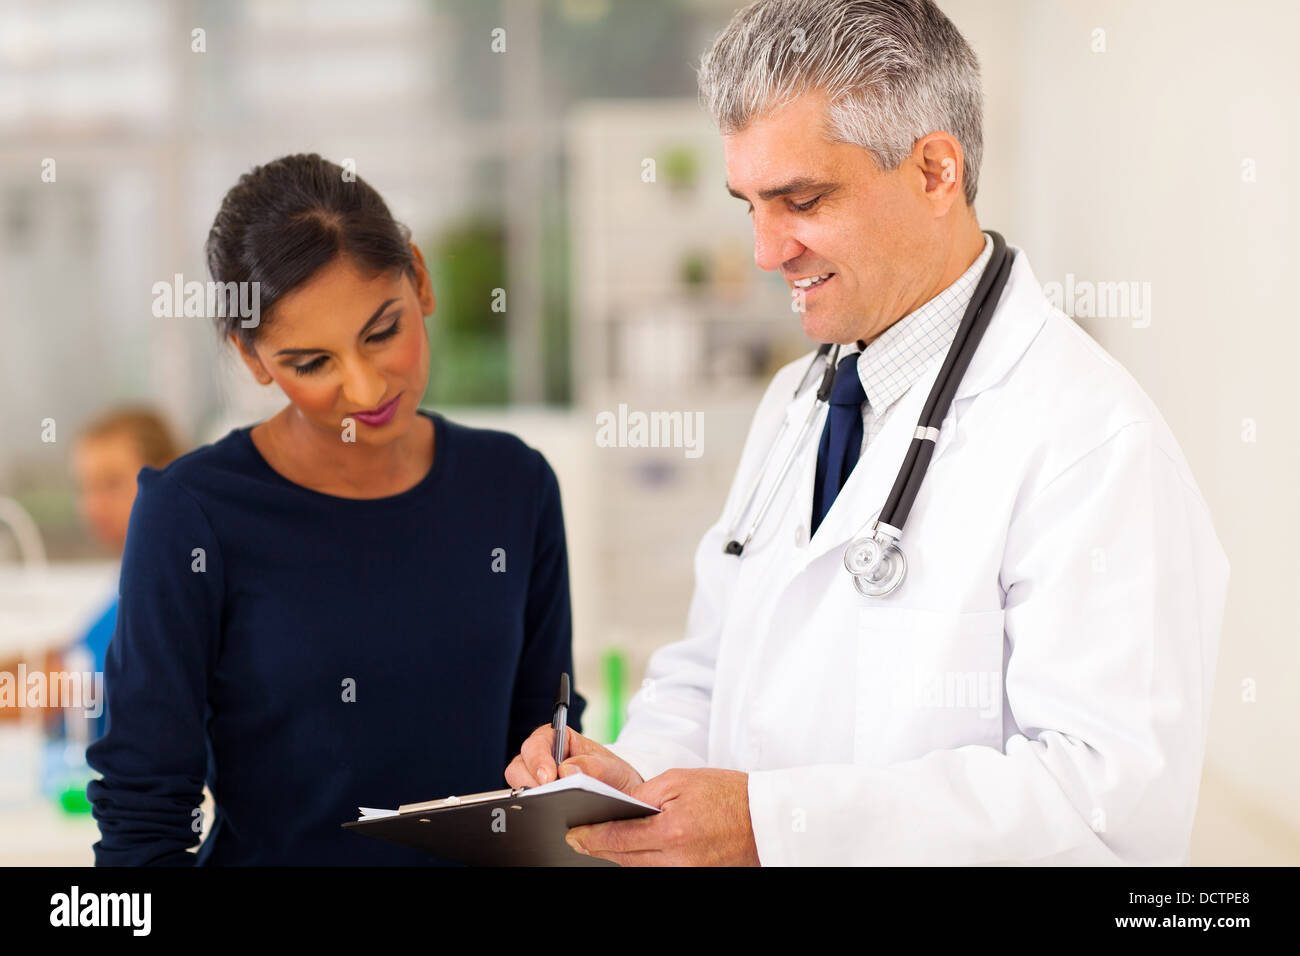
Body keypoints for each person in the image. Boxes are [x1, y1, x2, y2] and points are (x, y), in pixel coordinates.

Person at [506, 0, 1229, 865]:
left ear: (933, 171)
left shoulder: (1091, 440)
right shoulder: (795, 402)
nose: (769, 252)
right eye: (749, 207)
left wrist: (777, 824)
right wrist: (631, 781)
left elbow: (1107, 813)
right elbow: (706, 668)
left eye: (801, 200)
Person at [87, 153, 584, 865]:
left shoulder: (515, 485)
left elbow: (543, 745)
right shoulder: (191, 514)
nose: (364, 387)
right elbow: (142, 811)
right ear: (253, 357)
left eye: (382, 332)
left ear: (419, 276)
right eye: (311, 363)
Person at [70, 407, 182, 741]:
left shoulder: (176, 579)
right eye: (85, 488)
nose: (94, 507)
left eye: (112, 484)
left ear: (170, 473)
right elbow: (71, 657)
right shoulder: (133, 574)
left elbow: (67, 689)